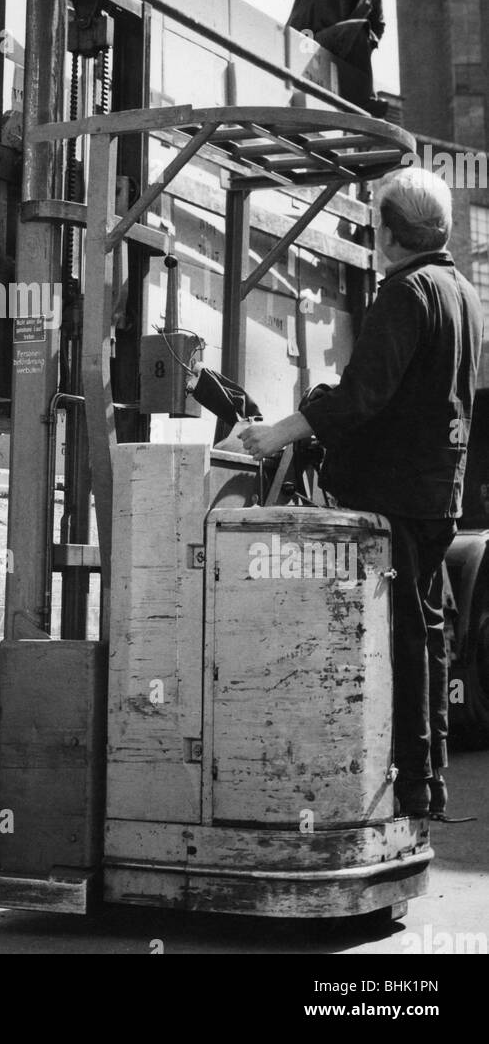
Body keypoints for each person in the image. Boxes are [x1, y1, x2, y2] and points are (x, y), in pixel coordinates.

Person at [239, 167, 483, 819]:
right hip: (438, 491)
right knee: (423, 633)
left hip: (393, 493)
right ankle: (427, 782)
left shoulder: (407, 293)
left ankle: (401, 787)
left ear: (392, 232)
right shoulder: (462, 292)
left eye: (378, 223)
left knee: (394, 634)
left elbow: (365, 395)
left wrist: (281, 432)